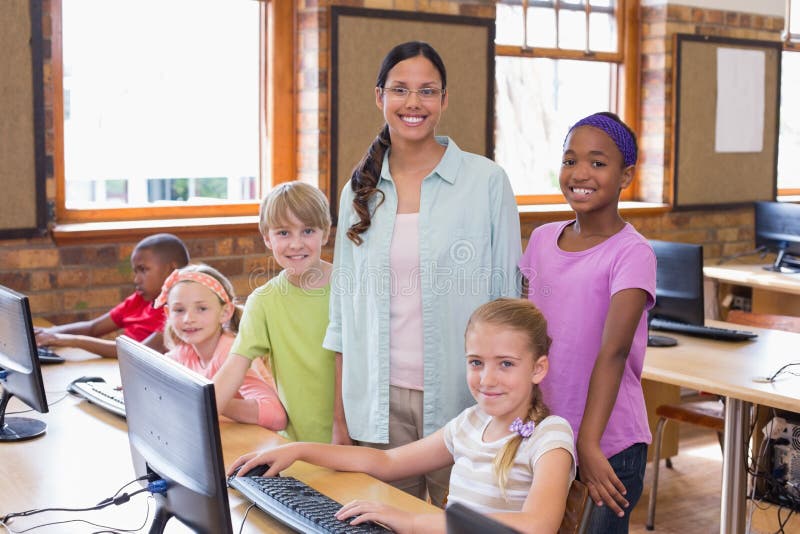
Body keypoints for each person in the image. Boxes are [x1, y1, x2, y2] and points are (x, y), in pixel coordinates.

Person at [324, 41, 521, 506]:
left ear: (444, 100)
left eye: (427, 91)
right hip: (376, 408)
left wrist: (510, 414)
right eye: (401, 90)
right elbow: (341, 320)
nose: (414, 103)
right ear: (380, 98)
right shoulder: (359, 190)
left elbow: (509, 306)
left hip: (469, 403)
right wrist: (340, 420)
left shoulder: (487, 183)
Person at [230, 298, 575, 534]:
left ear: (538, 368)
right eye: (476, 362)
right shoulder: (470, 423)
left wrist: (413, 523)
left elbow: (536, 526)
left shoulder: (549, 437)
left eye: (506, 364)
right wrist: (300, 450)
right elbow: (386, 462)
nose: (487, 379)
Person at [519, 112, 656, 533]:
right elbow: (527, 337)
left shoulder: (632, 253)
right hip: (545, 436)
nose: (580, 173)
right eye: (570, 160)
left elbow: (613, 353)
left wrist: (589, 442)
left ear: (625, 175)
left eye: (598, 163)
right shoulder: (542, 239)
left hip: (606, 443)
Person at [212, 181, 335, 442]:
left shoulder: (351, 289)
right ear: (267, 238)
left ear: (325, 233)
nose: (295, 244)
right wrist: (197, 419)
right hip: (296, 442)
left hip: (358, 438)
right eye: (283, 233)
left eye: (308, 230)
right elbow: (234, 368)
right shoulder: (264, 301)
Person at [155, 264, 286, 430]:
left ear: (225, 312)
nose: (188, 318)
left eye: (201, 309)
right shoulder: (183, 352)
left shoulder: (231, 353)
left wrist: (209, 399)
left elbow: (276, 416)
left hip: (260, 443)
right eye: (179, 310)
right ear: (168, 314)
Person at [34, 233, 190, 358]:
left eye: (143, 270)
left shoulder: (179, 313)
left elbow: (136, 352)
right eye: (135, 272)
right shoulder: (140, 300)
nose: (136, 279)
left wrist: (69, 340)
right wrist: (45, 333)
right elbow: (93, 327)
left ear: (171, 270)